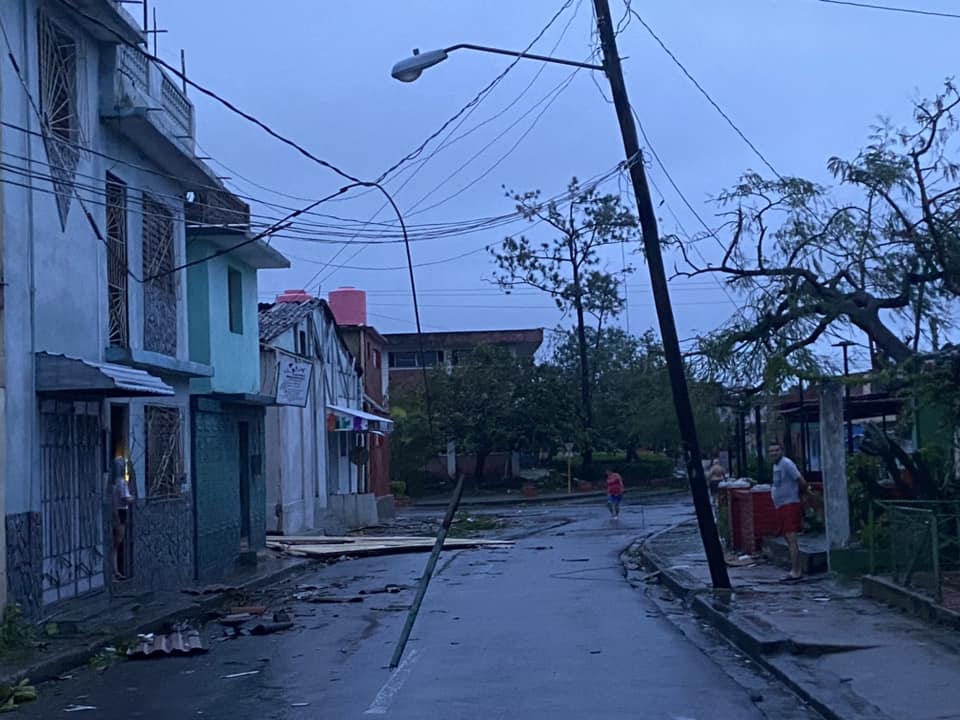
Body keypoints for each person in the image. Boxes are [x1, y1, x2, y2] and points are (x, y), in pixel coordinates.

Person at [769, 441, 807, 581]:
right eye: (771, 451)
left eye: (776, 450)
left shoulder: (787, 463)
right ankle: (795, 568)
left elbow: (801, 481)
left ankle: (796, 571)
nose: (774, 453)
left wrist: (800, 496)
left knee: (791, 538)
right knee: (787, 537)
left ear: (782, 451)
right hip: (781, 506)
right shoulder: (776, 465)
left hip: (789, 504)